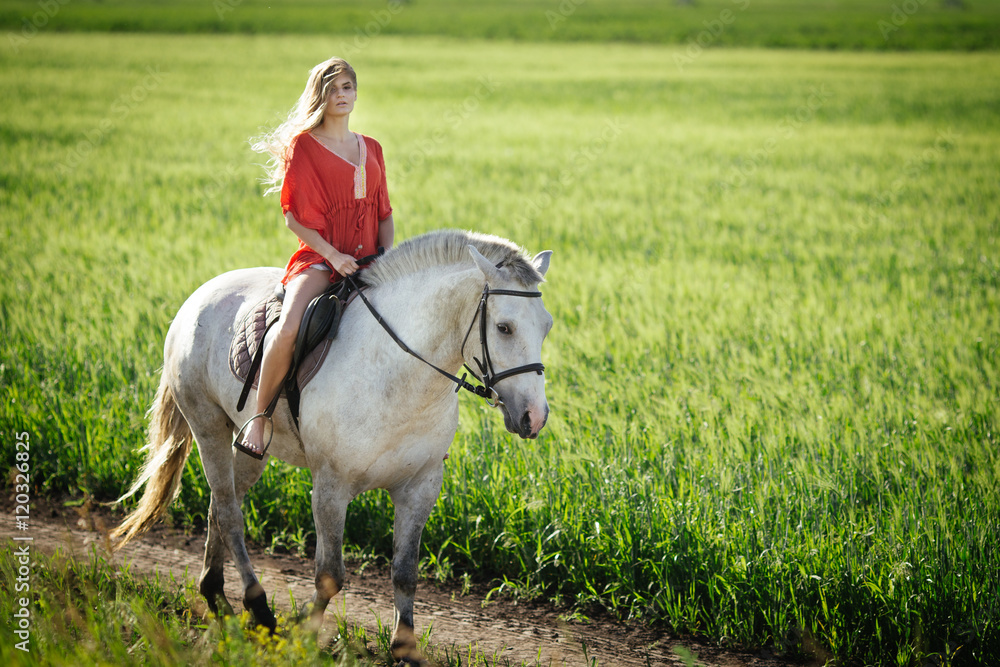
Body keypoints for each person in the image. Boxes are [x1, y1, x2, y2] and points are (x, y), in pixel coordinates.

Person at [236, 57, 394, 458]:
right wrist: (333, 255)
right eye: (332, 89)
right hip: (322, 260)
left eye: (347, 87)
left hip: (371, 261)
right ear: (320, 97)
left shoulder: (371, 147)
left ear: (356, 93)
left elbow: (384, 214)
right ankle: (259, 417)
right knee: (288, 327)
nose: (341, 95)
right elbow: (293, 218)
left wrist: (388, 261)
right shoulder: (304, 147)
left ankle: (409, 431)